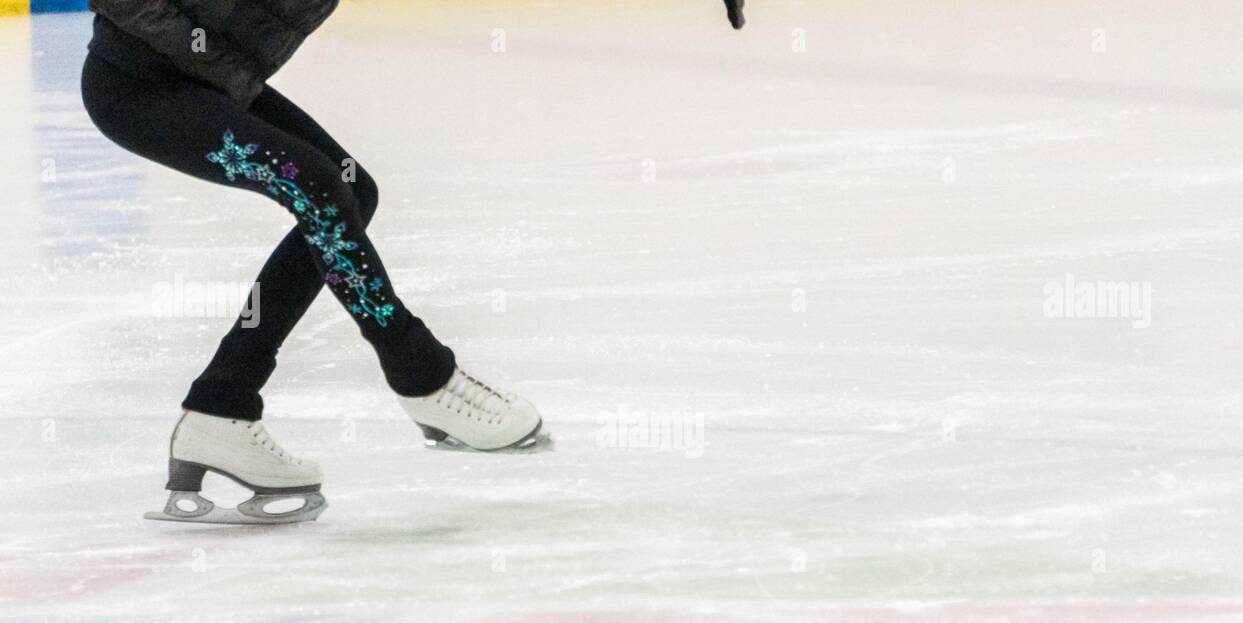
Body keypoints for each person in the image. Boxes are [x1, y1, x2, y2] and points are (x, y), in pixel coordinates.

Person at [81, 0, 745, 523]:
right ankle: (420, 373)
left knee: (346, 189)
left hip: (207, 79)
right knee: (318, 188)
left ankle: (221, 405)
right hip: (139, 84)